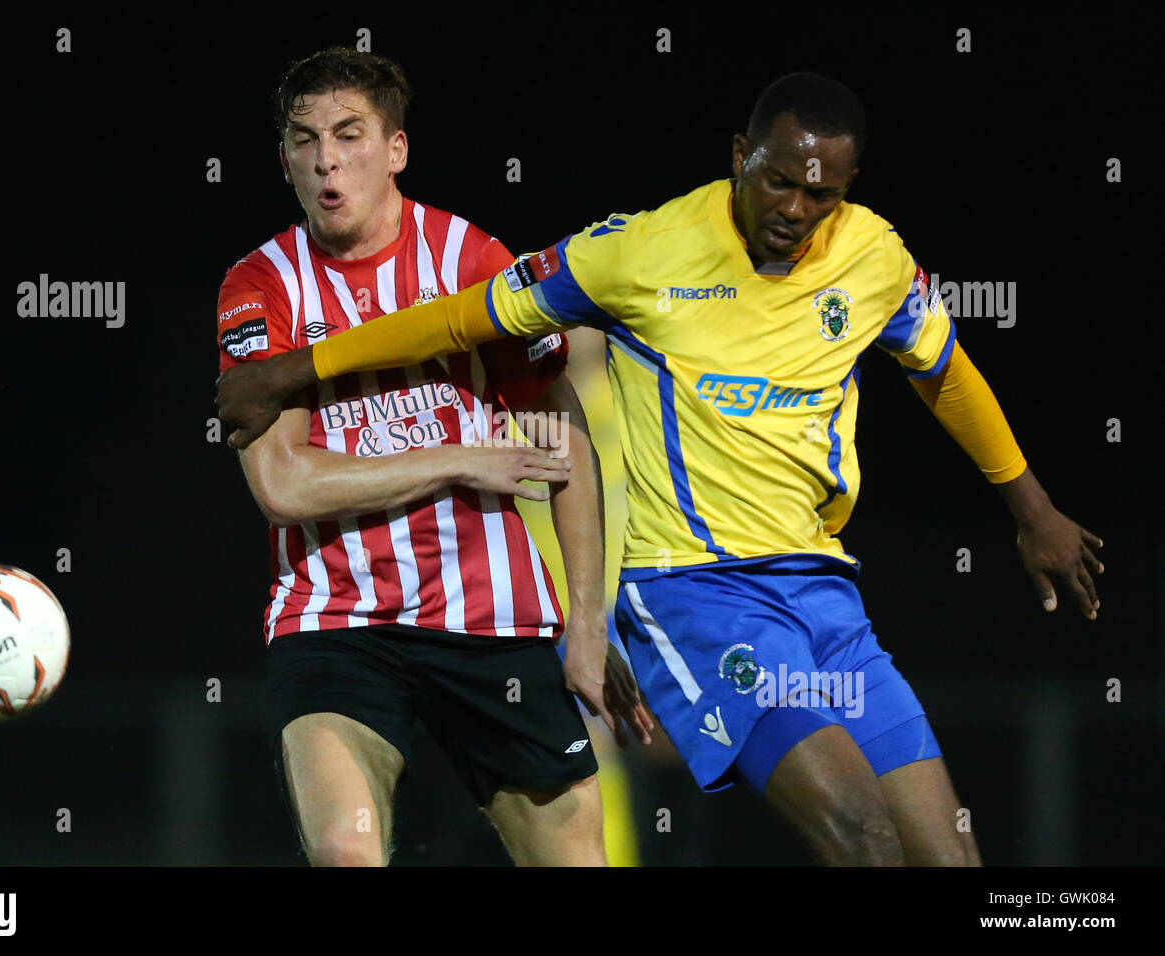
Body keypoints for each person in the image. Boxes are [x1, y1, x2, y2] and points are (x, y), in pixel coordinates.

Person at [216, 71, 1104, 866]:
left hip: (800, 592)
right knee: (862, 838)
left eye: (819, 193)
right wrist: (296, 374)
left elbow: (943, 370)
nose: (795, 208)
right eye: (778, 181)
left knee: (949, 859)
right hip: (682, 592)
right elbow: (454, 329)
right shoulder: (638, 251)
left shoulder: (872, 254)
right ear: (738, 158)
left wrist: (1031, 508)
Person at [216, 48, 649, 867]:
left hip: (494, 619)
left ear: (396, 149)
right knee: (348, 854)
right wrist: (453, 458)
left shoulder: (472, 263)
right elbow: (283, 483)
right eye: (305, 142)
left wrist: (586, 626)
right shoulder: (260, 285)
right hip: (336, 620)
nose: (326, 160)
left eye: (348, 136)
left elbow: (565, 436)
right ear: (284, 162)